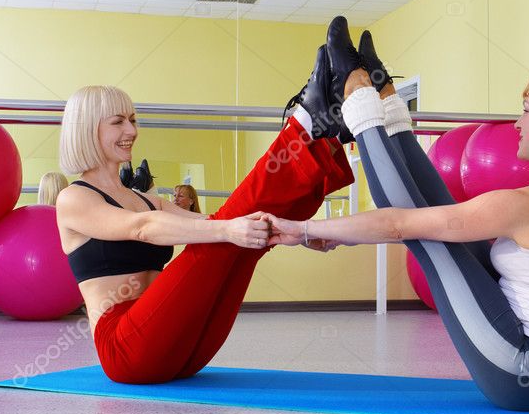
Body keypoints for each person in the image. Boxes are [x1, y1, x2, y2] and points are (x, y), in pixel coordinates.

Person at [264, 17, 529, 411]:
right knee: (448, 223)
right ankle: (384, 98)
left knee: (428, 235)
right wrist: (332, 231)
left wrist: (302, 228)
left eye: (525, 110)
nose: (517, 123)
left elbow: (399, 224)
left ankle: (355, 92)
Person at [55, 42, 354, 384]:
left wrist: (298, 233)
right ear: (88, 128)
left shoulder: (145, 198)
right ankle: (304, 128)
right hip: (126, 351)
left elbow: (223, 221)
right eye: (118, 122)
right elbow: (142, 228)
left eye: (133, 120)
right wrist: (228, 231)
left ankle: (323, 136)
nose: (132, 131)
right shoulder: (74, 199)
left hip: (184, 346)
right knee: (224, 237)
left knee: (241, 239)